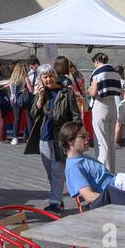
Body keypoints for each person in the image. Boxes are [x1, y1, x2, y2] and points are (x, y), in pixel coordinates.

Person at [24, 63, 81, 210]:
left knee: (57, 171)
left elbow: (76, 116)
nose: (48, 79)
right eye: (45, 77)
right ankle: (58, 198)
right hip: (44, 137)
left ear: (55, 76)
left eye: (50, 76)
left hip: (61, 137)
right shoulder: (40, 93)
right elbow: (33, 114)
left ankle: (55, 203)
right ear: (41, 79)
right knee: (50, 172)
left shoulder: (66, 92)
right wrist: (40, 97)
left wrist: (74, 135)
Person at [60, 120, 115, 204]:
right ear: (70, 141)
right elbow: (89, 196)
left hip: (119, 187)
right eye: (83, 137)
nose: (88, 138)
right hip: (117, 195)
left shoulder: (82, 158)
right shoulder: (74, 168)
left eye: (87, 135)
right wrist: (118, 198)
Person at [87, 53, 122, 172]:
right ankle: (111, 170)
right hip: (112, 105)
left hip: (100, 105)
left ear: (96, 61)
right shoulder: (115, 72)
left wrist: (88, 90)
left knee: (101, 142)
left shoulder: (97, 72)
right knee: (111, 142)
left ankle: (103, 172)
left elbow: (93, 92)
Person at [6, 62, 31, 144]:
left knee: (16, 118)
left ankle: (14, 138)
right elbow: (31, 90)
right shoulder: (25, 78)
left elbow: (10, 91)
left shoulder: (12, 79)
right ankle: (30, 138)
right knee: (28, 118)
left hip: (15, 101)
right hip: (25, 100)